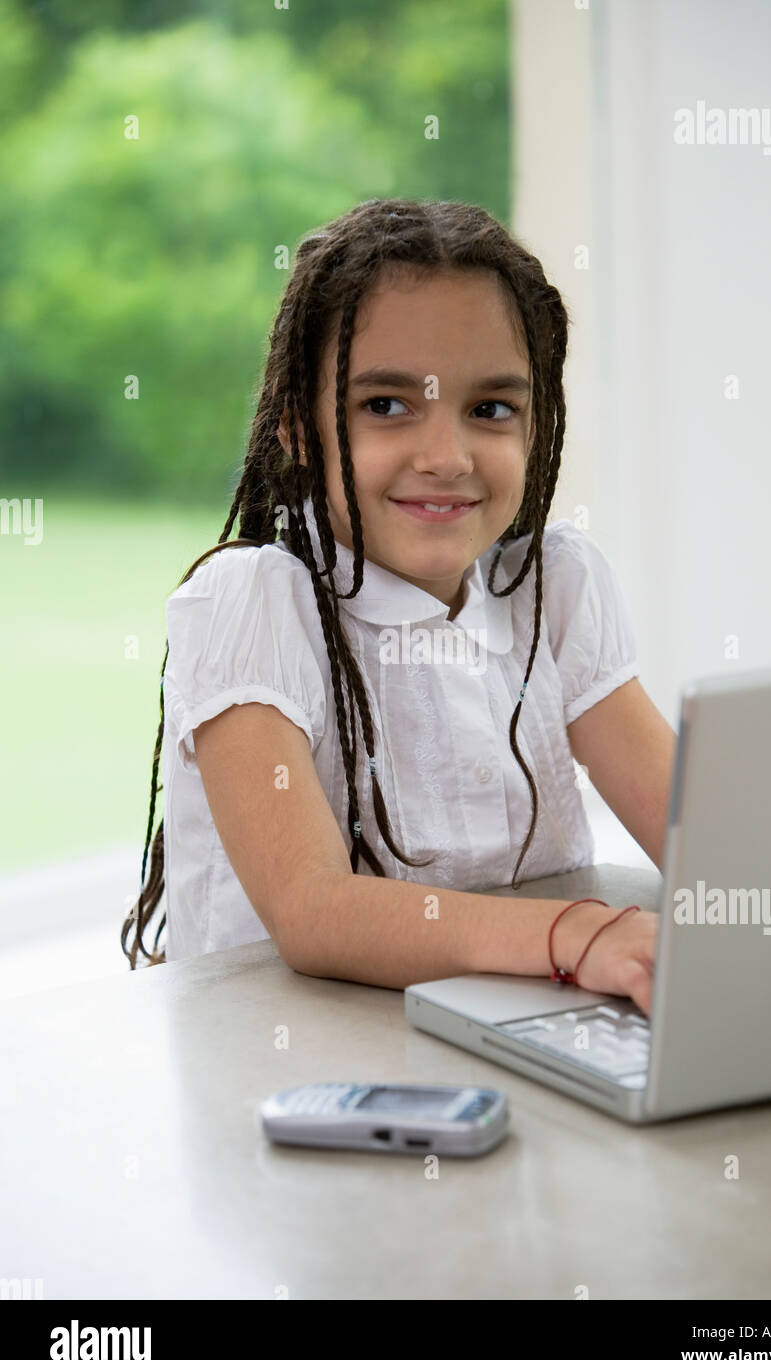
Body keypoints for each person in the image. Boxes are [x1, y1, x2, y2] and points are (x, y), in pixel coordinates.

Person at [122, 198, 676, 1016]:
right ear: (298, 433)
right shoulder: (255, 603)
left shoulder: (553, 591)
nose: (446, 457)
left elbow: (710, 844)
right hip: (286, 1076)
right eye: (386, 406)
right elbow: (315, 913)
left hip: (517, 1034)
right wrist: (578, 938)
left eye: (491, 409)